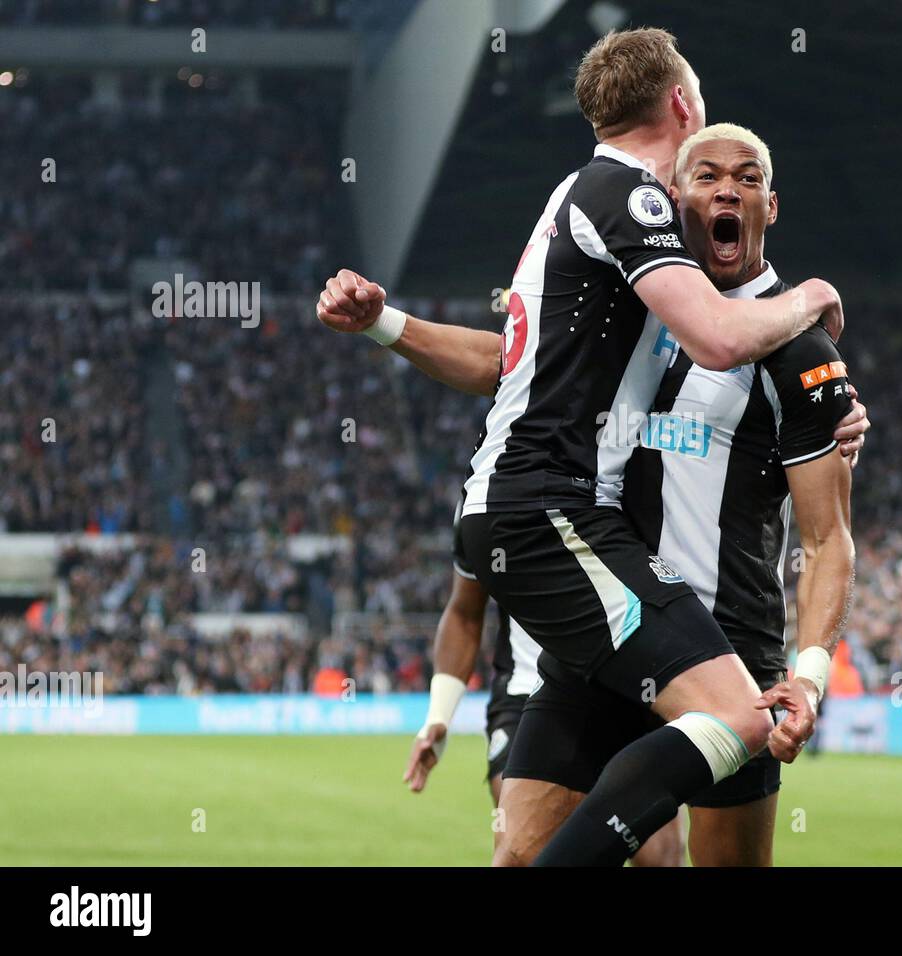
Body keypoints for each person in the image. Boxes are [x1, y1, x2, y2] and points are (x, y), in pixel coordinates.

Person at [318, 27, 859, 866]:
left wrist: (385, 322)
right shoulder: (636, 220)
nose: (722, 191)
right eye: (705, 172)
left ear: (769, 205)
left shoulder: (626, 262)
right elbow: (714, 337)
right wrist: (816, 294)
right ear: (680, 120)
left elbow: (510, 358)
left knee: (627, 846)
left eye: (746, 179)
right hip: (570, 532)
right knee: (735, 729)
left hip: (697, 608)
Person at [401, 503, 685, 866]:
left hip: (627, 687)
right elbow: (464, 612)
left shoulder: (626, 472)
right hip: (524, 691)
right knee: (521, 850)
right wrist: (438, 714)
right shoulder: (487, 492)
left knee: (659, 855)